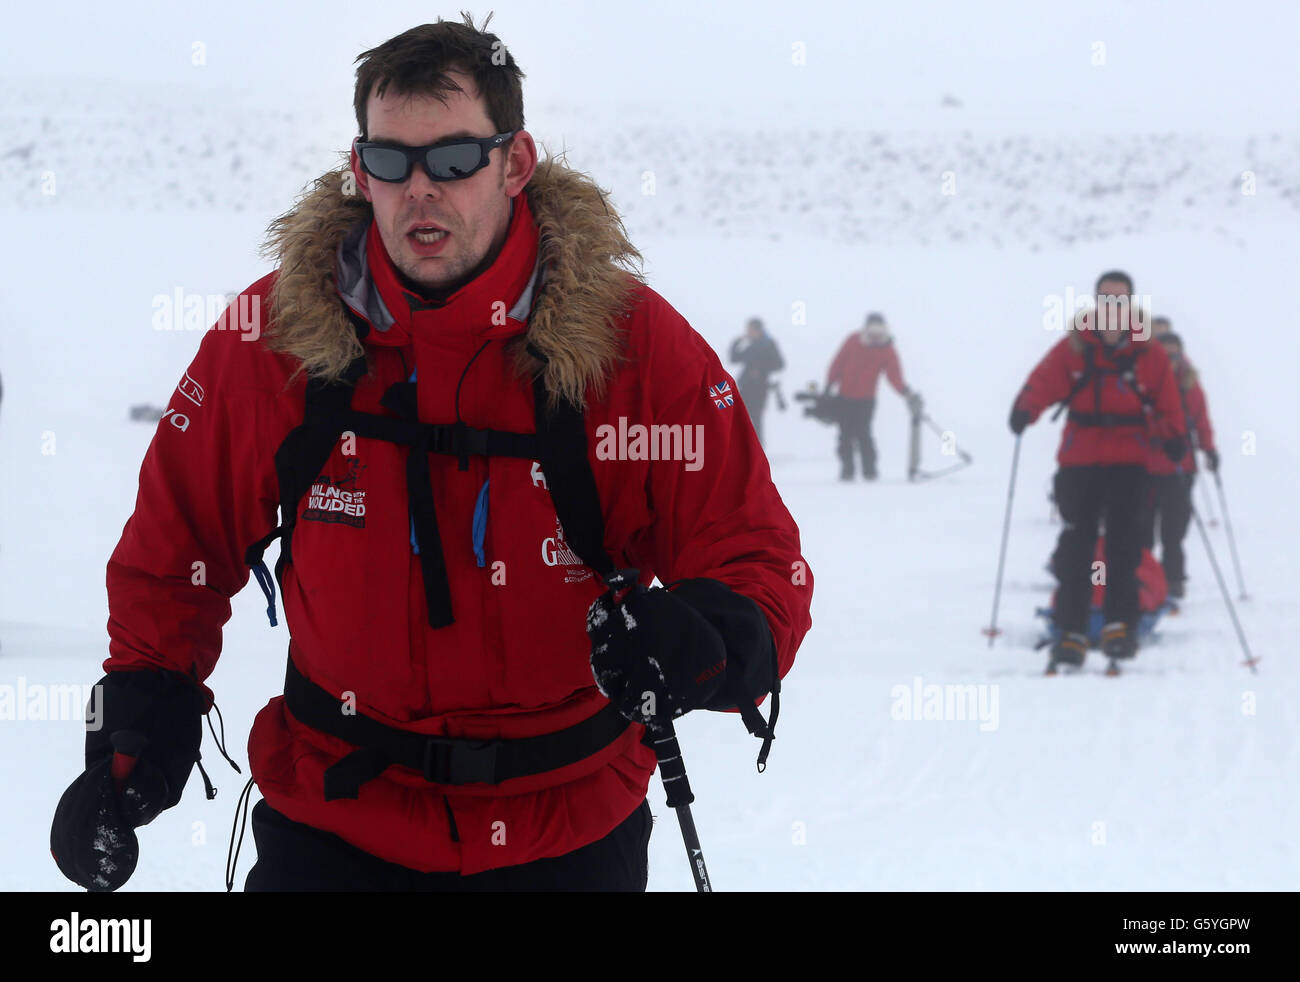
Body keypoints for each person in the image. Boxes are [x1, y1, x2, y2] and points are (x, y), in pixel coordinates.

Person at [50, 16, 813, 893]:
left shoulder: (631, 346)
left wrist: (708, 641)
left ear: (515, 162)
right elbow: (176, 543)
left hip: (566, 830)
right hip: (335, 819)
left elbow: (756, 554)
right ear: (358, 166)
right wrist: (136, 732)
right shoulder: (277, 336)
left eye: (453, 160)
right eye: (389, 161)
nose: (420, 190)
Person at [1010, 272, 1185, 668]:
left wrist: (1175, 436)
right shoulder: (1074, 346)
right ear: (1096, 303)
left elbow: (1168, 398)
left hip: (1129, 461)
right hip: (1079, 460)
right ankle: (1070, 628)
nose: (1113, 308)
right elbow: (1044, 380)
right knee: (1078, 546)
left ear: (1130, 305)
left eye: (1119, 300)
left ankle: (1119, 625)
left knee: (1123, 546)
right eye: (1106, 299)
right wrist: (1025, 409)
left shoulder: (1149, 352)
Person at [1142, 331, 1217, 599]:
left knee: (1174, 532)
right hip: (1144, 468)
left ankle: (1173, 580)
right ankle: (1144, 580)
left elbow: (1201, 420)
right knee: (1143, 531)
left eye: (1175, 354)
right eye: (1165, 353)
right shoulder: (1143, 382)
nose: (1170, 359)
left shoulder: (1189, 385)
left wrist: (1209, 449)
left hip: (1179, 469)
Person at [824, 312, 920, 480]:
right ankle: (847, 470)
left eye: (879, 330)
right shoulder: (853, 340)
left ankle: (870, 471)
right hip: (844, 397)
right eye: (872, 330)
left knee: (863, 433)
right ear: (866, 328)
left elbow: (894, 375)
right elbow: (838, 362)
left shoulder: (887, 349)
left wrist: (904, 390)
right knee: (845, 434)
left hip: (866, 400)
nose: (875, 335)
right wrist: (829, 384)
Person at [728, 316, 784, 445]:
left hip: (760, 388)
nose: (747, 332)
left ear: (757, 329)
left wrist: (761, 369)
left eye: (750, 329)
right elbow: (734, 358)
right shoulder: (751, 345)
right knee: (738, 415)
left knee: (756, 417)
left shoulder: (769, 345)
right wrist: (736, 342)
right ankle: (741, 446)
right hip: (746, 386)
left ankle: (757, 449)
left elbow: (779, 364)